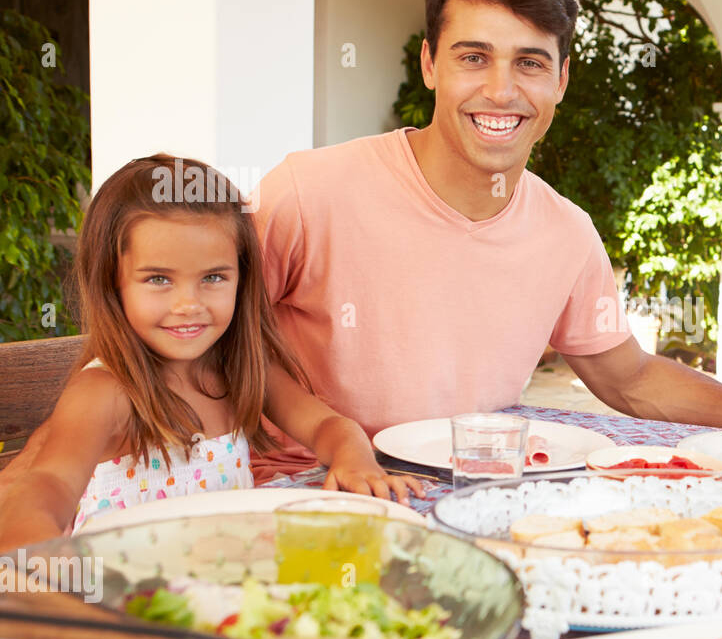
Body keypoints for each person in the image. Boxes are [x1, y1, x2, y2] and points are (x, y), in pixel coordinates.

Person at [250, 0, 722, 479]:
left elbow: (629, 378)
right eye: (473, 58)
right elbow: (222, 339)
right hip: (307, 487)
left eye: (529, 63)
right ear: (430, 64)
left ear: (560, 81)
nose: (501, 90)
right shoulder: (308, 191)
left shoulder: (566, 232)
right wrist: (330, 432)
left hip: (477, 488)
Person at [0, 156, 422, 553]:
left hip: (225, 586)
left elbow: (328, 425)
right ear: (113, 282)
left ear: (242, 277)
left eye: (214, 277)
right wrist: (30, 537)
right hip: (130, 602)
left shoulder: (240, 369)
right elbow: (49, 483)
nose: (189, 304)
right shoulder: (105, 392)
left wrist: (354, 458)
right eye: (159, 279)